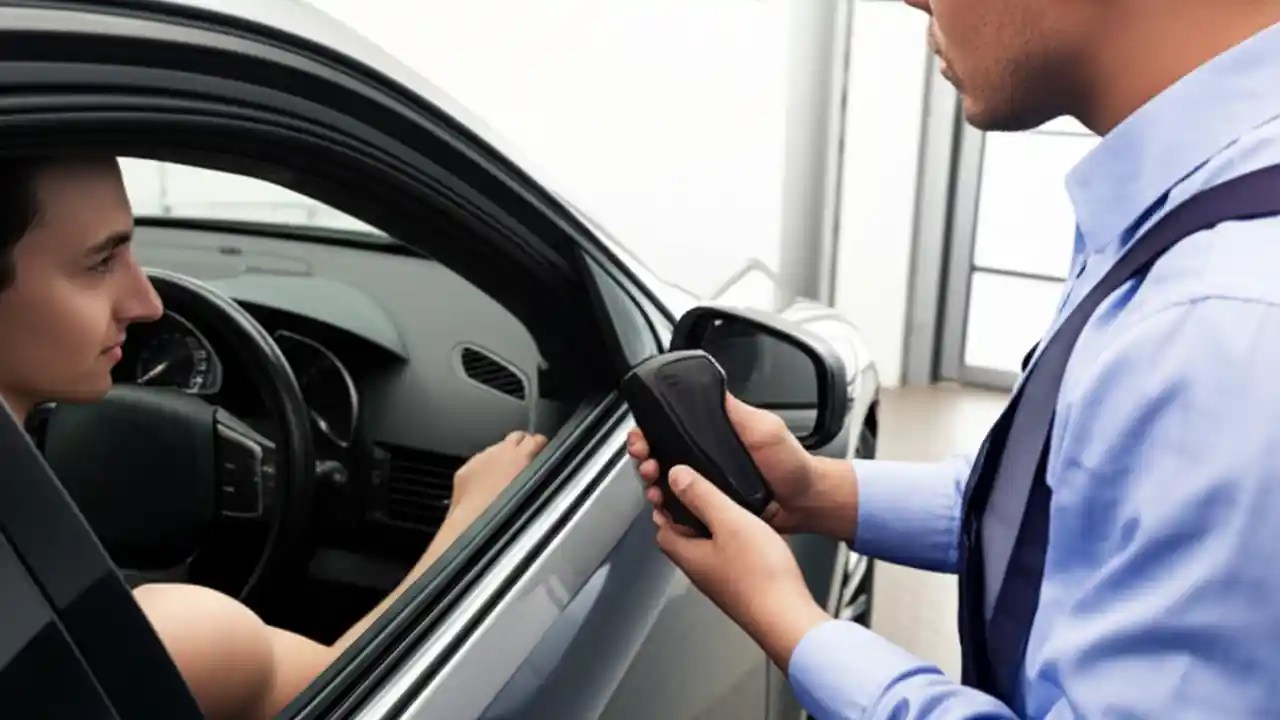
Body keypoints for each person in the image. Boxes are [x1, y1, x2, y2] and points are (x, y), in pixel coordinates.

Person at [631, 3, 1280, 719]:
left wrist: (790, 621)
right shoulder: (1204, 216)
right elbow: (1074, 508)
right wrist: (816, 490)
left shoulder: (1227, 316)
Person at [0, 155, 547, 720]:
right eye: (100, 262)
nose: (148, 303)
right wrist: (471, 517)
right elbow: (359, 701)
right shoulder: (169, 643)